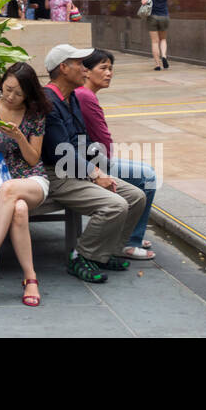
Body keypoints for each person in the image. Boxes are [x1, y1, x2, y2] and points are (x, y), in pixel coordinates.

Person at [42, 44, 147, 284]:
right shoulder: (48, 101)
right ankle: (81, 256)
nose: (84, 68)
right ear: (63, 68)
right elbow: (61, 153)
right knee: (115, 205)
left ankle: (103, 253)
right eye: (79, 63)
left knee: (136, 197)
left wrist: (99, 166)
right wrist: (93, 173)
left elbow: (84, 140)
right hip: (56, 175)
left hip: (77, 169)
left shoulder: (72, 97)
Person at [0, 62, 51, 306]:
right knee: (19, 209)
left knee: (11, 188)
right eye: (8, 89)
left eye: (18, 93)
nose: (11, 97)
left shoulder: (35, 113)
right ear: (2, 82)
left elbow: (34, 159)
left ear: (28, 93)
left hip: (31, 180)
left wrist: (20, 138)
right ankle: (30, 278)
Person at [77, 50, 157, 260]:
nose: (109, 73)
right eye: (102, 68)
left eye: (110, 68)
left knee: (144, 174)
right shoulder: (85, 96)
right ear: (86, 71)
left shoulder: (85, 94)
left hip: (89, 159)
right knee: (147, 176)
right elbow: (104, 140)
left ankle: (130, 234)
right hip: (88, 164)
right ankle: (129, 241)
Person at [141, 0, 173, 70]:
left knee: (155, 42)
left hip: (153, 17)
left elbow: (143, 1)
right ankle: (164, 56)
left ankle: (157, 65)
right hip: (164, 17)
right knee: (163, 39)